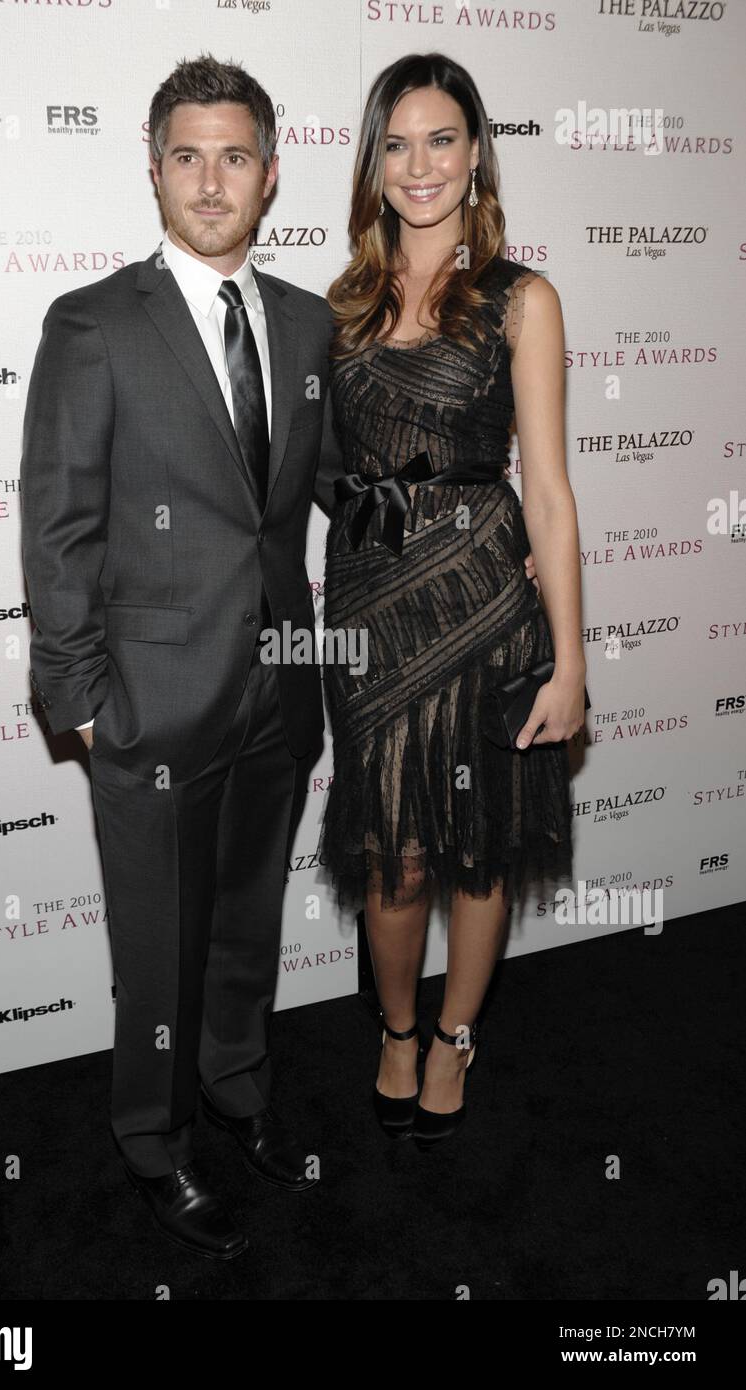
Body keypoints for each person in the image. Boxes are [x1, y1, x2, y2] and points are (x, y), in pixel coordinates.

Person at [20, 54, 345, 1259]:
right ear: (152, 166)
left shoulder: (308, 322)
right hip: (151, 701)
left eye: (236, 156)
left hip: (277, 689)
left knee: (247, 919)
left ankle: (239, 1090)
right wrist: (82, 698)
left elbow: (319, 496)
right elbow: (56, 522)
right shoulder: (97, 324)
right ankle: (153, 1142)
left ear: (270, 174)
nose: (212, 181)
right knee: (156, 941)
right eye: (187, 155)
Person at [317, 53, 587, 1150]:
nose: (420, 164)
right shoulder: (333, 310)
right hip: (374, 606)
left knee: (477, 845)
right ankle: (394, 1024)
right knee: (396, 854)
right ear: (373, 164)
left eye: (442, 140)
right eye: (398, 143)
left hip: (485, 602)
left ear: (476, 153)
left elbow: (553, 496)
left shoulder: (522, 300)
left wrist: (569, 662)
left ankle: (455, 1036)